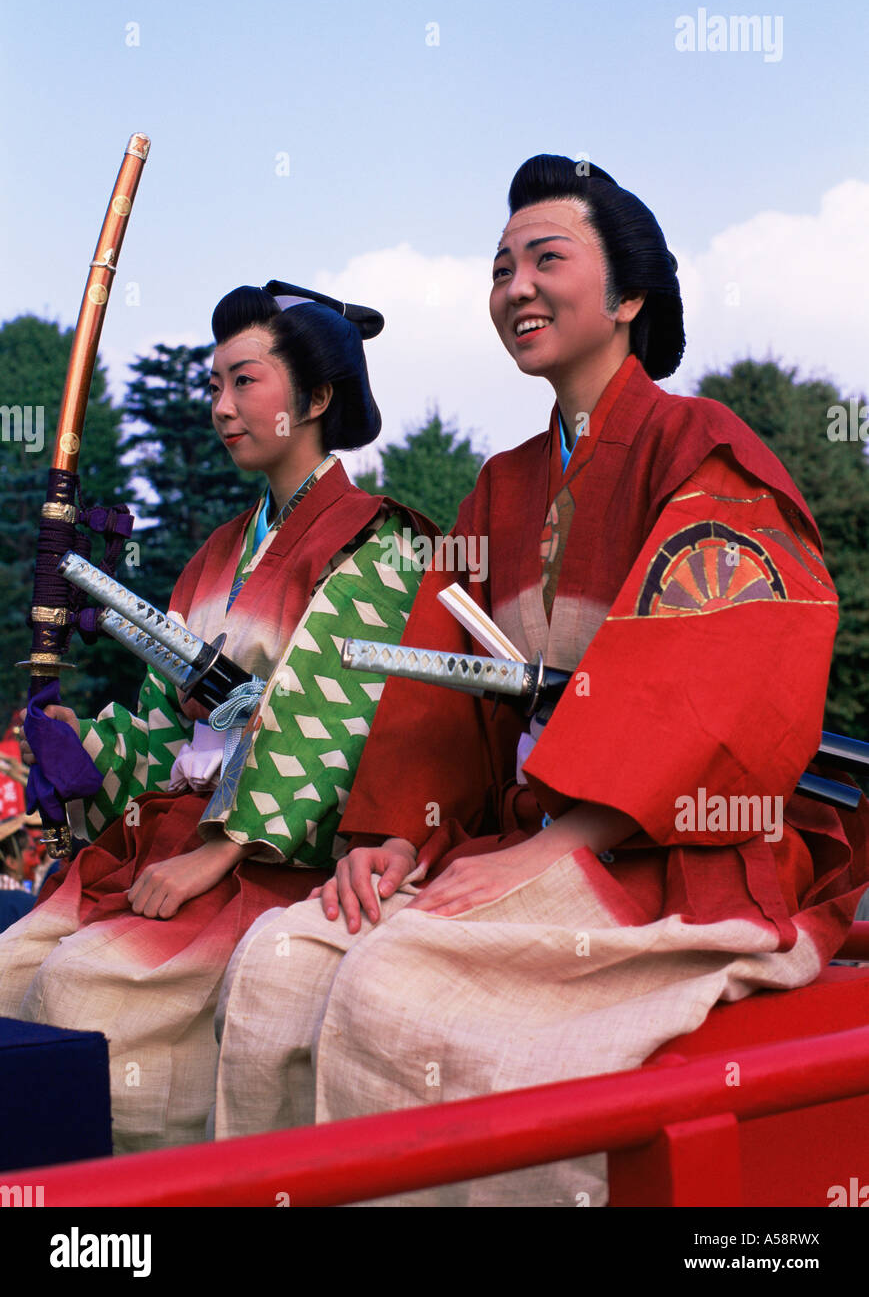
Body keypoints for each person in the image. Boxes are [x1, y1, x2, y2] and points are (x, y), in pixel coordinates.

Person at [213, 158, 869, 1205]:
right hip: (525, 835)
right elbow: (440, 691)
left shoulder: (706, 448)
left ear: (625, 296)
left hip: (663, 848)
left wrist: (565, 840)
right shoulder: (498, 483)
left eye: (544, 259)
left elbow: (718, 674)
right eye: (498, 266)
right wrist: (394, 833)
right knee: (279, 957)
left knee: (391, 984)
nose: (513, 284)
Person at [0, 280, 431, 1153]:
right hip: (180, 839)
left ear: (314, 398)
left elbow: (338, 708)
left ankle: (141, 1206)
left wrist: (224, 847)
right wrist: (83, 747)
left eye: (245, 382)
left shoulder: (380, 539)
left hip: (278, 852)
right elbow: (171, 724)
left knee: (85, 996)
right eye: (213, 387)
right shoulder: (216, 554)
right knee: (11, 971)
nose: (221, 408)